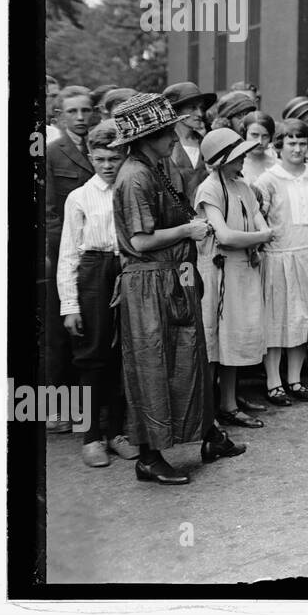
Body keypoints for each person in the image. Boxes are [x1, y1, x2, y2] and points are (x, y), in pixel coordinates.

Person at [109, 92, 243, 485]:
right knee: (154, 367)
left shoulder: (156, 167)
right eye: (166, 131)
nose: (173, 136)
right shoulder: (135, 176)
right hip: (150, 283)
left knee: (190, 359)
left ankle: (208, 435)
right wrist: (188, 229)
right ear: (145, 137)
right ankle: (149, 458)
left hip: (173, 278)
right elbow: (141, 241)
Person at [57, 120, 138, 466]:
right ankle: (92, 436)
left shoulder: (130, 188)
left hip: (127, 268)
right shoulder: (79, 197)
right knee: (93, 355)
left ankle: (117, 432)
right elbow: (69, 253)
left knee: (124, 352)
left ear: (123, 156)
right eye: (100, 158)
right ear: (90, 157)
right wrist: (70, 305)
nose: (107, 165)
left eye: (114, 158)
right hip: (93, 272)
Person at [195, 128, 275, 429]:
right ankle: (208, 411)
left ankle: (229, 405)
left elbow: (259, 223)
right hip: (217, 272)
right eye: (236, 156)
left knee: (235, 339)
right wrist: (260, 236)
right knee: (213, 340)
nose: (241, 161)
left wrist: (257, 238)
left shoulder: (242, 186)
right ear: (220, 160)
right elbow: (225, 235)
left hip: (243, 270)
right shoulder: (208, 189)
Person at [253, 119, 308, 405]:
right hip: (278, 256)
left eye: (302, 143)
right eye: (291, 143)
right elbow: (257, 217)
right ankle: (274, 382)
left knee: (302, 319)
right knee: (277, 320)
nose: (297, 148)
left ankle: (295, 379)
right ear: (279, 146)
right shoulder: (268, 179)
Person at [44, 86, 95, 433]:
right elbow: (47, 211)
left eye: (86, 111)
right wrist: (67, 251)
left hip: (99, 252)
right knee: (61, 333)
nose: (80, 118)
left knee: (91, 331)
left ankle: (90, 409)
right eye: (73, 112)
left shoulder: (100, 149)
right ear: (59, 116)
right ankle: (54, 409)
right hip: (65, 251)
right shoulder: (51, 153)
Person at [163, 81, 216, 203]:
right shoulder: (163, 146)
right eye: (193, 108)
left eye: (201, 108)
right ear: (175, 111)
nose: (200, 113)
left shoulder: (207, 144)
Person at [240, 110, 277, 185]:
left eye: (265, 136)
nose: (259, 141)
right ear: (245, 134)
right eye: (254, 135)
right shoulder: (235, 164)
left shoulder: (277, 165)